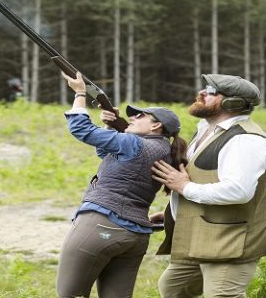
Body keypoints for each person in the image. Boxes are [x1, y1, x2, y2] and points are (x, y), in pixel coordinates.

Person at [148, 74, 266, 298]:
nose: (202, 94)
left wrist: (184, 187)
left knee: (221, 295)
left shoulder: (245, 140)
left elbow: (238, 191)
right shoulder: (206, 129)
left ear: (233, 103)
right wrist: (175, 213)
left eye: (211, 92)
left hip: (231, 240)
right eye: (204, 89)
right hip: (205, 234)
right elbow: (204, 177)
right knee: (174, 288)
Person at [57, 72, 188, 298]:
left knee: (69, 294)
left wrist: (79, 93)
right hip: (135, 237)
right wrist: (111, 126)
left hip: (101, 224)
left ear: (156, 125)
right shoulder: (166, 151)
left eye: (140, 116)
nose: (133, 118)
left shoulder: (133, 143)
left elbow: (81, 129)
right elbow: (107, 153)